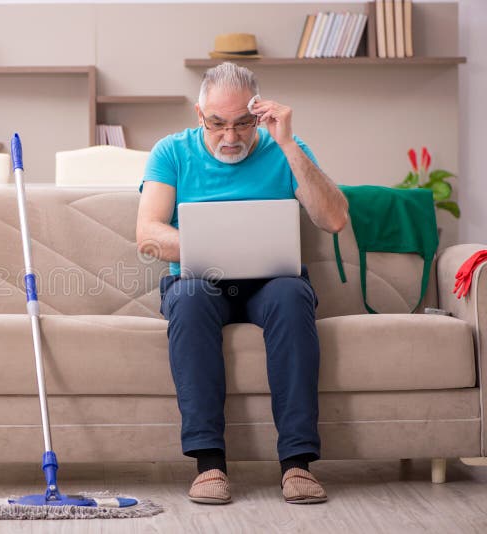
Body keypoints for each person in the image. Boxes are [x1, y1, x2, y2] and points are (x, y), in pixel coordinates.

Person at [136, 62, 348, 505]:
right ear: (199, 115)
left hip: (270, 283)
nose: (230, 137)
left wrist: (287, 142)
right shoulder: (171, 152)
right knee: (190, 300)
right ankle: (209, 464)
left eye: (243, 124)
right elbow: (149, 236)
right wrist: (217, 244)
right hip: (199, 280)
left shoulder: (286, 147)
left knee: (292, 295)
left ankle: (297, 465)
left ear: (259, 114)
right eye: (217, 124)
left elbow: (334, 219)